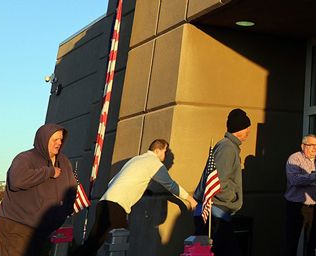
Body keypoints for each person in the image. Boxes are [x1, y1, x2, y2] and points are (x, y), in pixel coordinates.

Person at [73, 139, 196, 256]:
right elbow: (170, 184)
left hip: (104, 202)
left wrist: (144, 192)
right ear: (157, 150)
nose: (168, 158)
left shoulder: (136, 160)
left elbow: (114, 182)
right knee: (119, 241)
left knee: (94, 242)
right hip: (116, 207)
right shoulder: (154, 162)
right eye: (165, 151)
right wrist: (189, 199)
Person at [0, 124, 78, 256]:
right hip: (17, 226)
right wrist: (48, 172)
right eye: (55, 139)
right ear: (44, 139)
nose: (59, 143)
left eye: (61, 139)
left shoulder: (64, 162)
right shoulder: (25, 158)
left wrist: (66, 210)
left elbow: (72, 188)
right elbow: (17, 181)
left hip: (44, 230)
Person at [192, 108, 252, 256]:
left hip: (214, 213)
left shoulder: (227, 146)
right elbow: (218, 181)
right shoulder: (227, 148)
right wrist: (233, 198)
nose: (250, 131)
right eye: (248, 127)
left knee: (205, 252)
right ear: (241, 129)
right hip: (215, 214)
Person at [283, 134, 316, 256]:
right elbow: (295, 180)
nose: (314, 148)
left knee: (315, 242)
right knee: (291, 242)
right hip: (297, 206)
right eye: (310, 145)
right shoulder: (294, 159)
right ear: (303, 146)